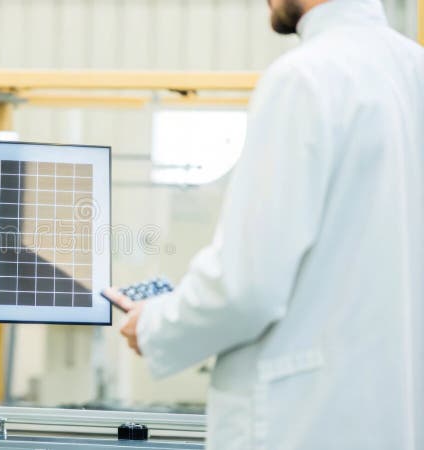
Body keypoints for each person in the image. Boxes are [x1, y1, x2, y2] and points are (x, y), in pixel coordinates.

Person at [105, 0, 424, 448]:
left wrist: (156, 324)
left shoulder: (304, 78)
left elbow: (247, 287)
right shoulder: (414, 71)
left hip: (307, 423)